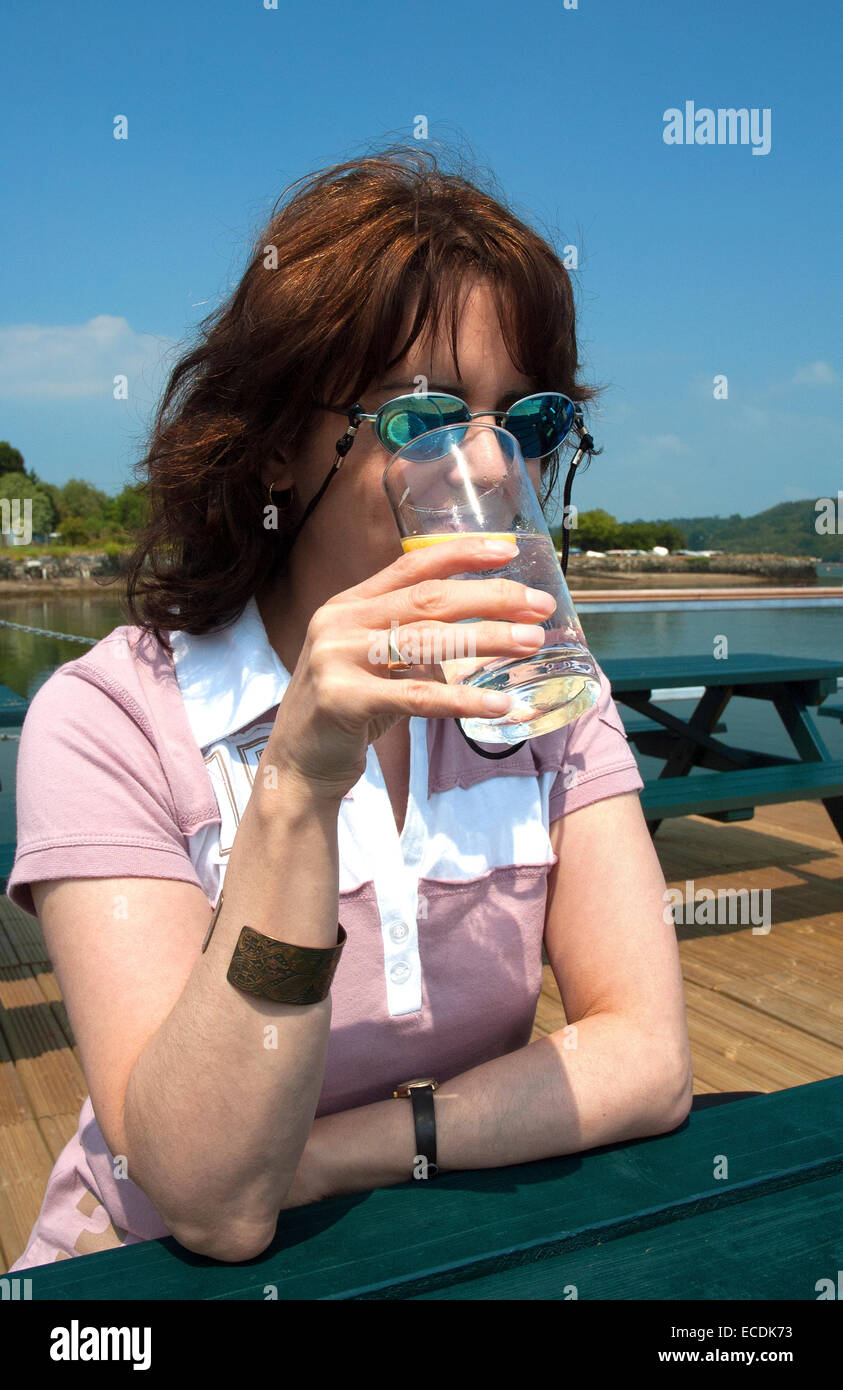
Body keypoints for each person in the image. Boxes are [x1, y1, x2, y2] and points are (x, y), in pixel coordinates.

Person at [7, 146, 695, 1272]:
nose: (486, 462)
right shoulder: (109, 721)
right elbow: (216, 1198)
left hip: (444, 1242)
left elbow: (647, 1055)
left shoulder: (545, 688)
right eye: (423, 413)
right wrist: (294, 786)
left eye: (524, 422)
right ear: (278, 445)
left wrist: (347, 1150)